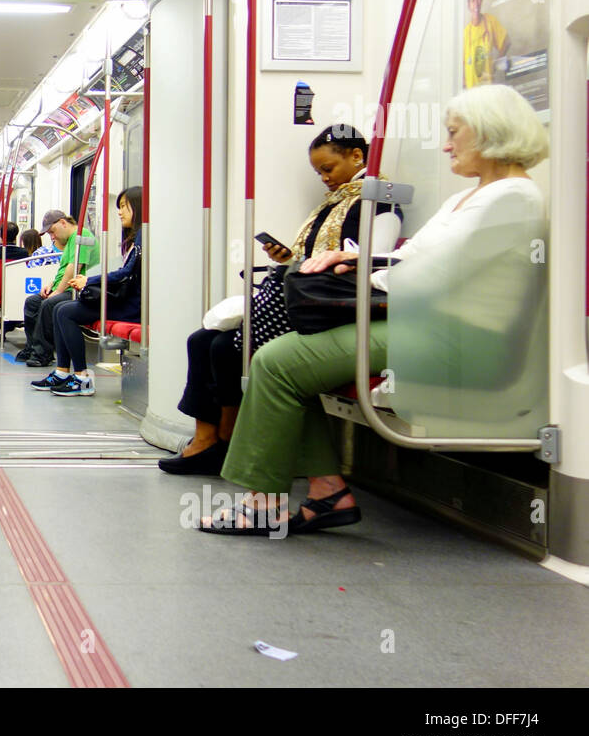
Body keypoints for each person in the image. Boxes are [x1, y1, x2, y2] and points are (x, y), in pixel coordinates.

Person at [197, 85, 547, 536]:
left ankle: (266, 501)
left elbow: (435, 276)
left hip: (462, 337)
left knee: (277, 363)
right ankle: (326, 493)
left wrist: (358, 277)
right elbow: (411, 258)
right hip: (425, 323)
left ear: (489, 133)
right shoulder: (470, 197)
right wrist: (352, 260)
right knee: (280, 357)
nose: (445, 145)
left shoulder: (512, 198)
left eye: (454, 133)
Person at [160, 124, 402, 474]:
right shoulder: (332, 205)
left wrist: (311, 268)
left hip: (333, 308)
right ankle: (205, 439)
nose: (323, 178)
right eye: (318, 172)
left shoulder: (379, 203)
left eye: (328, 169)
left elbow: (369, 262)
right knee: (201, 340)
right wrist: (288, 259)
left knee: (224, 348)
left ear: (357, 156)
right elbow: (312, 260)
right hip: (307, 297)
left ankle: (228, 440)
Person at [33, 187, 143, 396]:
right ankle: (63, 371)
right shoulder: (135, 237)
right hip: (124, 299)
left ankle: (82, 376)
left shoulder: (142, 236)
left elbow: (126, 273)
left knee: (64, 311)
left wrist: (88, 281)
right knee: (60, 309)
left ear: (137, 206)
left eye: (123, 207)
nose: (119, 212)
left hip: (130, 305)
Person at [16, 211, 100, 367]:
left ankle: (43, 354)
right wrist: (51, 284)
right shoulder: (70, 242)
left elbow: (74, 268)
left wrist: (57, 291)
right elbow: (63, 270)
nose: (52, 237)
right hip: (67, 286)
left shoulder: (83, 236)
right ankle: (32, 347)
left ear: (63, 222)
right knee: (32, 302)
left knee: (49, 305)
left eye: (52, 232)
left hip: (80, 290)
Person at [463, 0, 509, 89]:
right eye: (473, 0)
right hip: (472, 96)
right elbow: (462, 67)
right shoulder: (465, 33)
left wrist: (496, 64)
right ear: (468, 4)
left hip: (488, 92)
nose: (476, 3)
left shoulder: (490, 21)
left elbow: (506, 41)